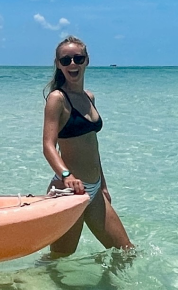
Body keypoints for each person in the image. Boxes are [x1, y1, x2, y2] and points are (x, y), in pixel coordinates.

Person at [43, 36, 132, 256]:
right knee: (59, 259)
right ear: (58, 64)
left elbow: (92, 145)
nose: (72, 64)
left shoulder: (89, 97)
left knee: (126, 253)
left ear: (86, 61)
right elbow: (48, 146)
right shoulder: (57, 99)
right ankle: (26, 286)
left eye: (78, 58)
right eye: (65, 60)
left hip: (94, 190)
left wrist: (103, 185)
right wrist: (66, 175)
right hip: (69, 192)